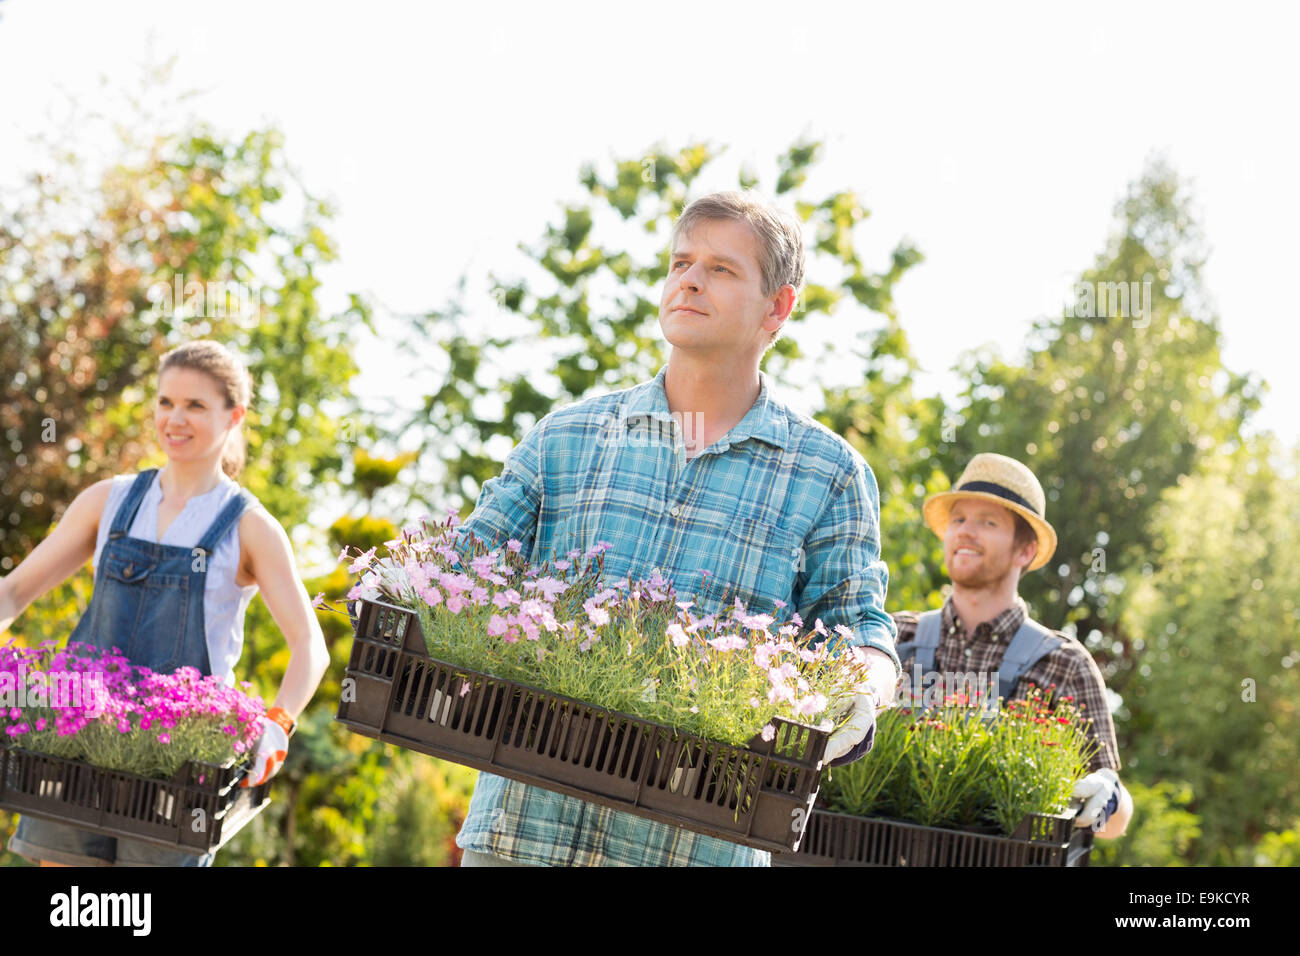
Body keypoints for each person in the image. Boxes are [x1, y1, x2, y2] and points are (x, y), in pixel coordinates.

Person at [449, 191, 900, 867]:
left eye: (722, 269)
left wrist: (863, 691)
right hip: (522, 834)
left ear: (777, 307)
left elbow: (858, 625)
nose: (689, 279)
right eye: (681, 262)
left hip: (695, 849)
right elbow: (463, 567)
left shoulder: (827, 473)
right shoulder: (567, 437)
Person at [0, 340, 330, 866]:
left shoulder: (248, 527)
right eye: (165, 402)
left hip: (181, 764)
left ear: (234, 416)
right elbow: (14, 591)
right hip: (76, 745)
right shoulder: (109, 501)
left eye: (195, 405)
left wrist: (277, 723)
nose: (175, 419)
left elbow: (310, 647)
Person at [892, 452, 1133, 838]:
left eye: (988, 522)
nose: (966, 532)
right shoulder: (893, 639)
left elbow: (1114, 818)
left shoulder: (1064, 663)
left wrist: (1107, 796)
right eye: (958, 520)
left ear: (1026, 550)